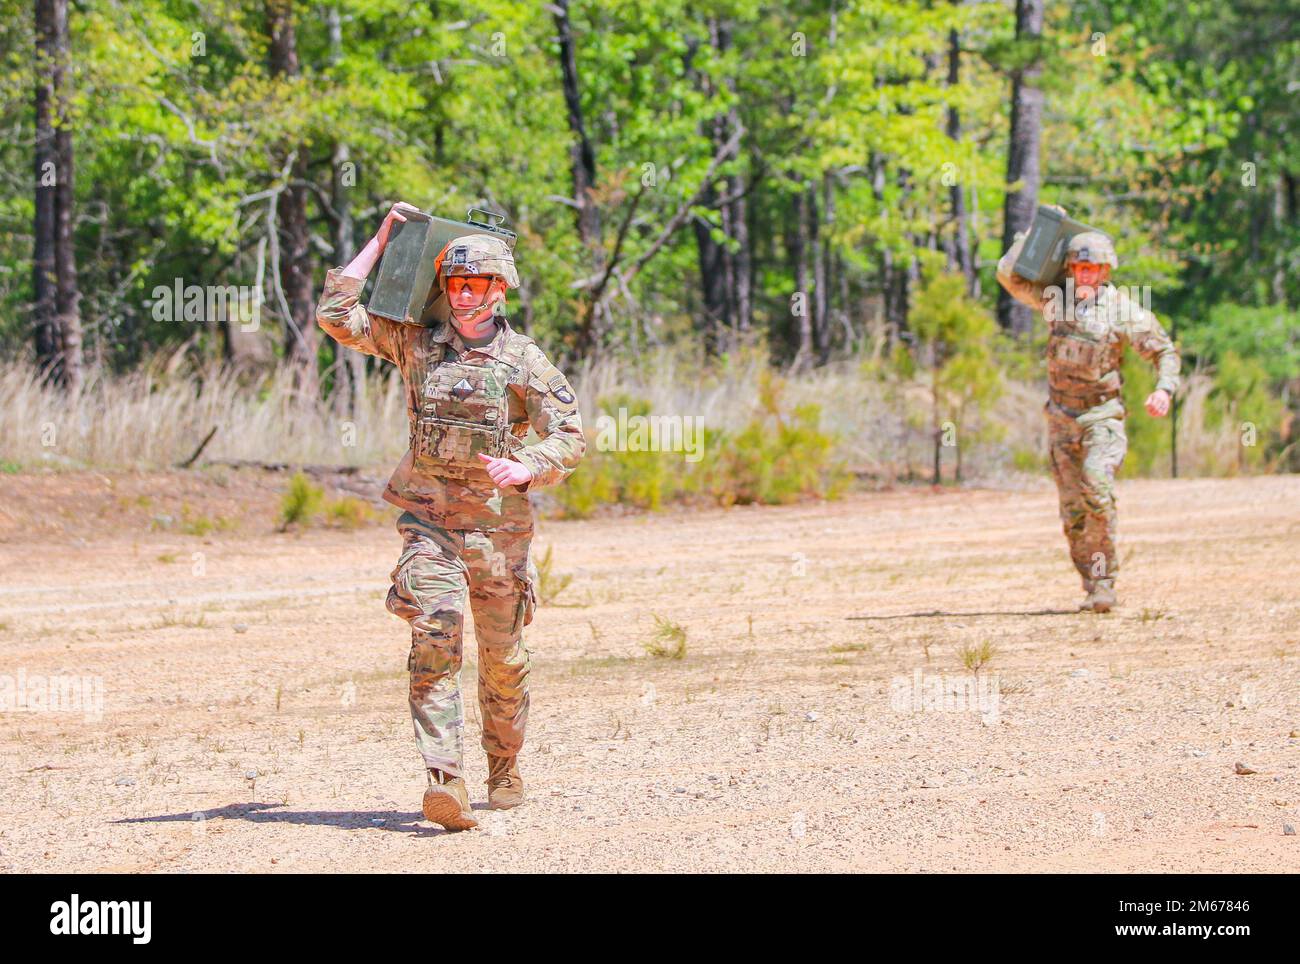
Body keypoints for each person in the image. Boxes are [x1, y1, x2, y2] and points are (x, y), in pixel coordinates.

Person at [315, 202, 585, 830]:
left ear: (500, 290)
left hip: (498, 534)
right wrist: (385, 238)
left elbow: (568, 436)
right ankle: (445, 781)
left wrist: (528, 466)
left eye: (479, 285)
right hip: (429, 523)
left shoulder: (524, 361)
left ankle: (503, 764)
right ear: (444, 286)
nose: (465, 297)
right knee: (434, 633)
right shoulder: (415, 343)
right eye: (456, 283)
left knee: (504, 659)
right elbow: (336, 315)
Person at [996, 217, 1180, 613]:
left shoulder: (1124, 311)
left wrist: (1164, 389)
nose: (1085, 274)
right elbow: (1008, 276)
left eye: (1093, 268)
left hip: (1102, 417)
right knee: (1072, 509)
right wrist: (1028, 240)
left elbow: (1164, 351)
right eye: (1079, 267)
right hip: (1061, 420)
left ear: (1105, 271)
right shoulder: (1055, 301)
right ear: (1069, 268)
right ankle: (1092, 585)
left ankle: (1106, 579)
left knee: (1096, 486)